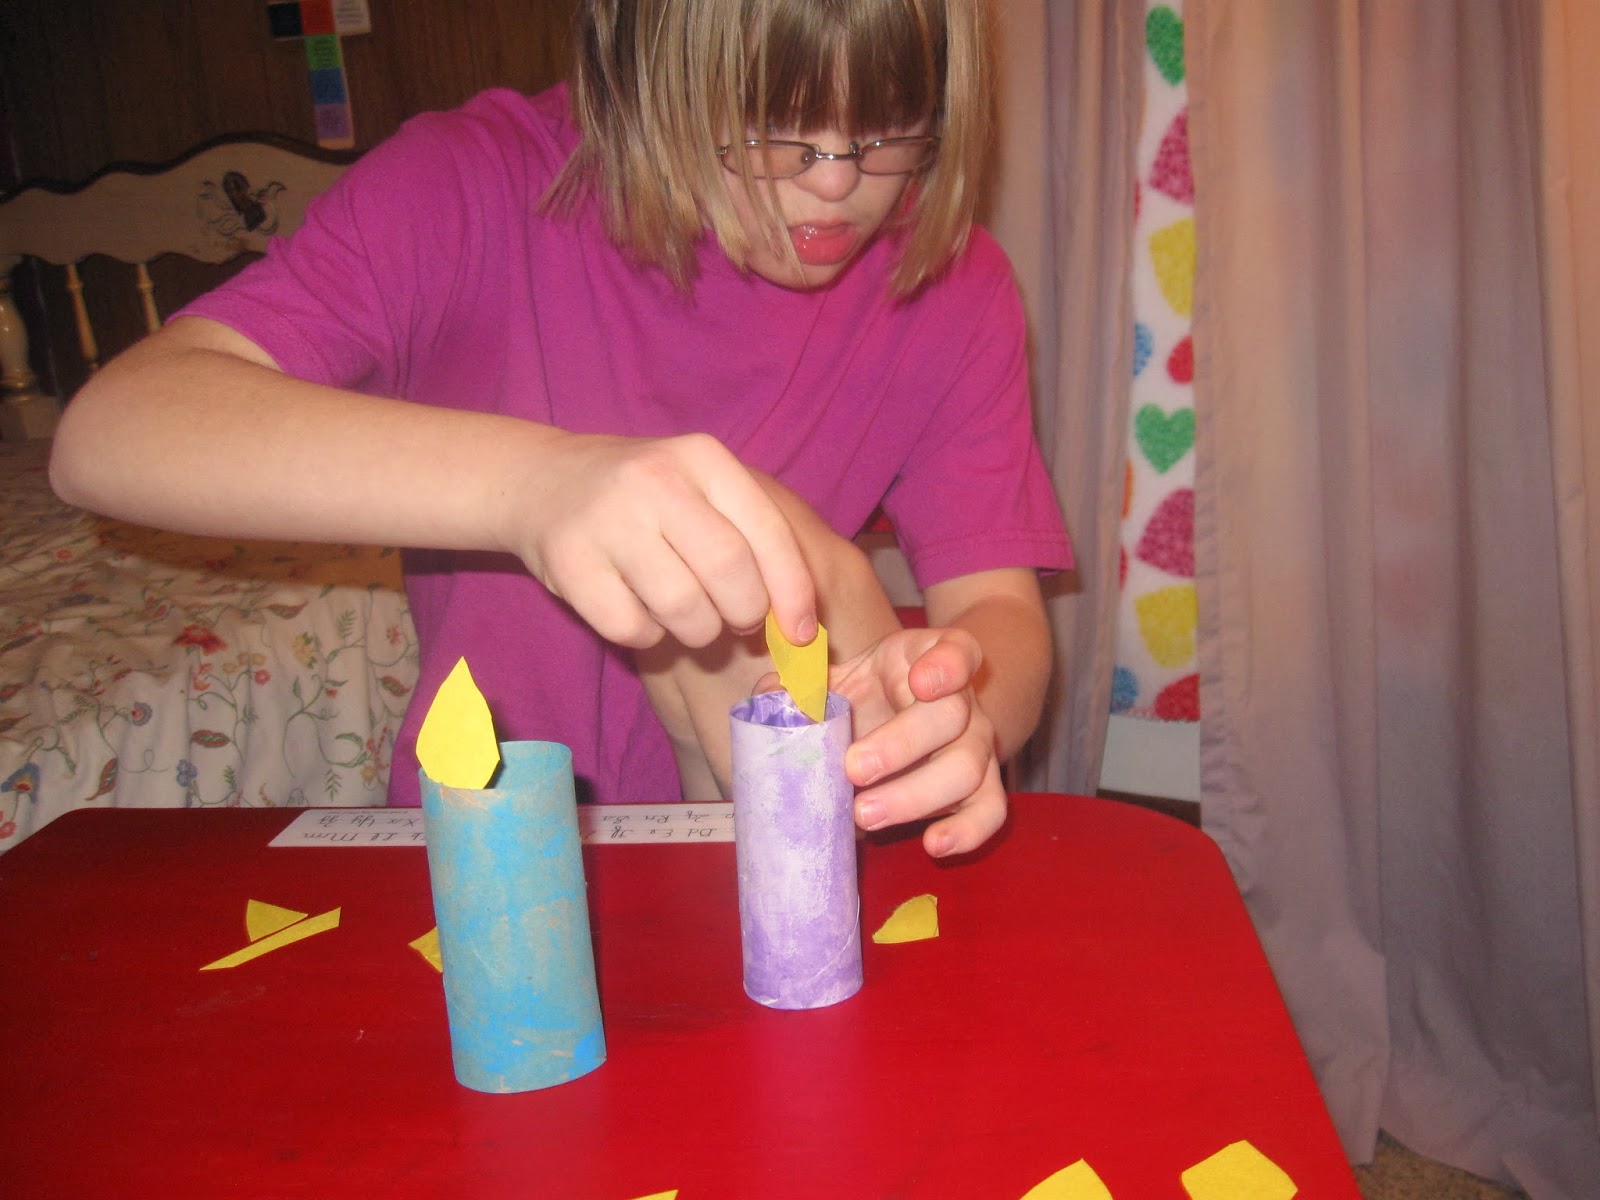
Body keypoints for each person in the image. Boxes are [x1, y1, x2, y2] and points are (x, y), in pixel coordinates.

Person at [49, 0, 1072, 857]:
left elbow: (997, 612)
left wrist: (958, 706)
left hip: (766, 841)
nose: (839, 180)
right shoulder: (474, 188)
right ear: (636, 72)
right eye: (770, 118)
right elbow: (113, 431)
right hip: (495, 845)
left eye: (892, 124)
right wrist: (534, 485)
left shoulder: (954, 286)